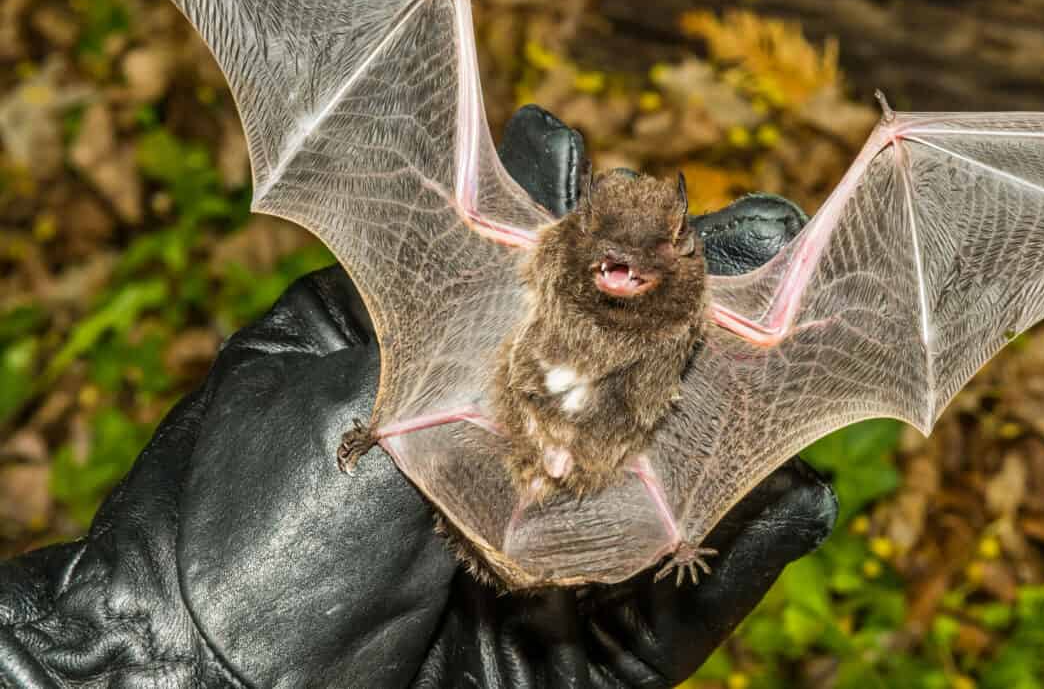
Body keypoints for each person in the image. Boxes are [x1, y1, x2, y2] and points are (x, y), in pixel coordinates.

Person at [0, 106, 838, 688]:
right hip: (494, 441)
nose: (622, 270)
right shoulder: (531, 267)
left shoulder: (692, 313)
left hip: (591, 464)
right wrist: (189, 654)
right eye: (605, 251)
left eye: (646, 258)